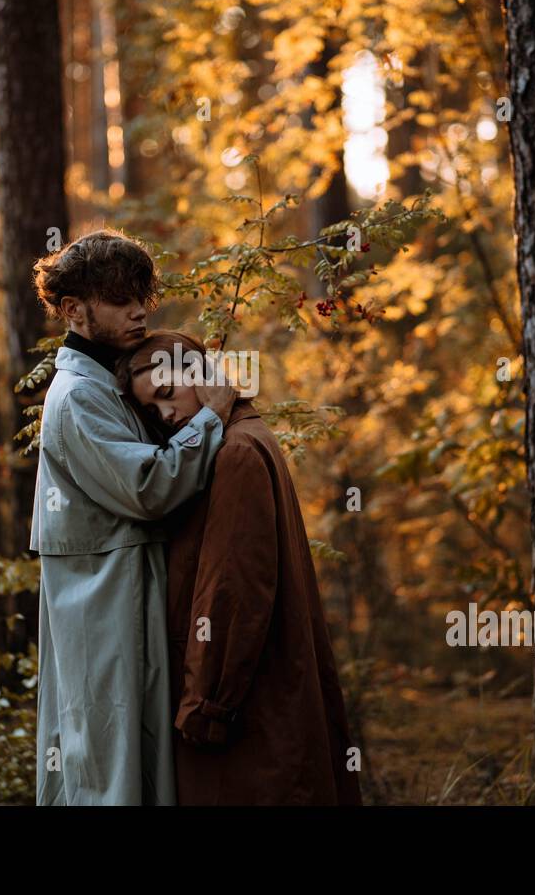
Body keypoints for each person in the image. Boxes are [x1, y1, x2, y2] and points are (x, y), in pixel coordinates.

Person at [30, 233, 239, 806]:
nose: (139, 310)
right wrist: (211, 420)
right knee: (104, 766)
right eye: (120, 299)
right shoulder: (77, 396)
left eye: (139, 295)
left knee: (133, 763)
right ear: (74, 310)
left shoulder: (110, 380)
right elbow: (148, 486)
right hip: (100, 611)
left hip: (125, 601)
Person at [120, 330, 363, 805]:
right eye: (152, 410)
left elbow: (230, 591)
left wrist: (205, 705)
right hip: (259, 695)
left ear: (202, 375)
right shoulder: (244, 438)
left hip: (245, 710)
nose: (166, 415)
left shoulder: (235, 453)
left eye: (167, 394)